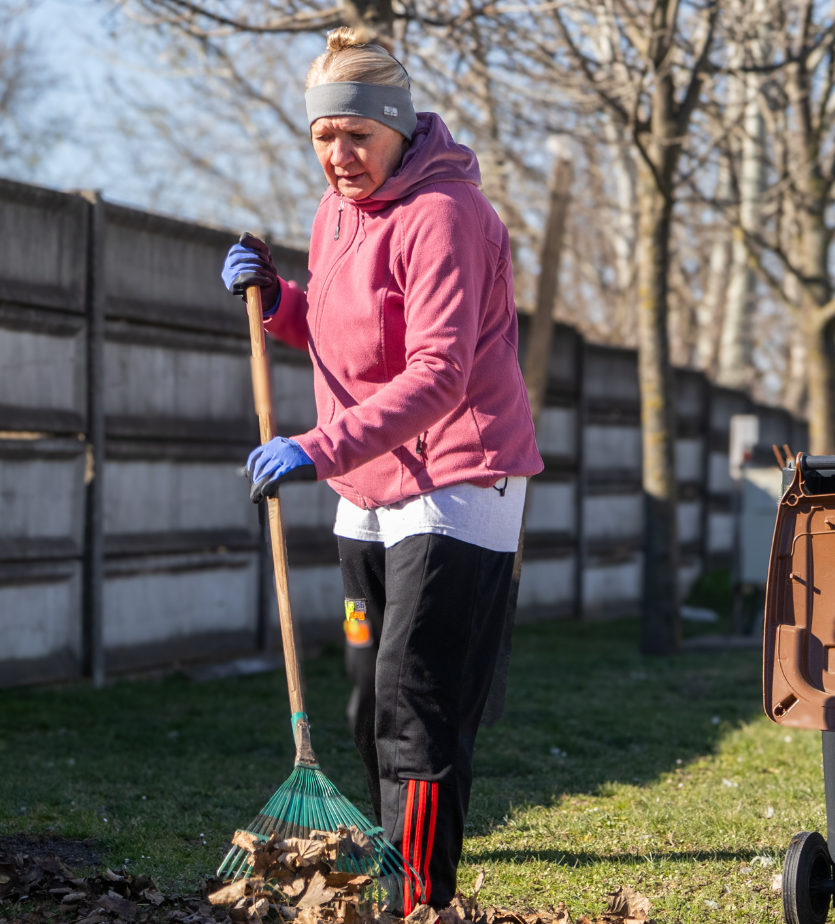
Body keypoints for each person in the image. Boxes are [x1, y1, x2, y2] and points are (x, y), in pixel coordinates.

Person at [219, 26, 542, 917]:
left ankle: (418, 902)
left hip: (459, 482)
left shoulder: (445, 216)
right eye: (323, 136)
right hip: (369, 486)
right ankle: (393, 873)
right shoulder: (336, 214)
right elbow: (343, 329)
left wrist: (313, 449)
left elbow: (438, 373)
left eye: (355, 136)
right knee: (369, 707)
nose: (338, 155)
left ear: (399, 128)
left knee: (416, 705)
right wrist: (280, 301)